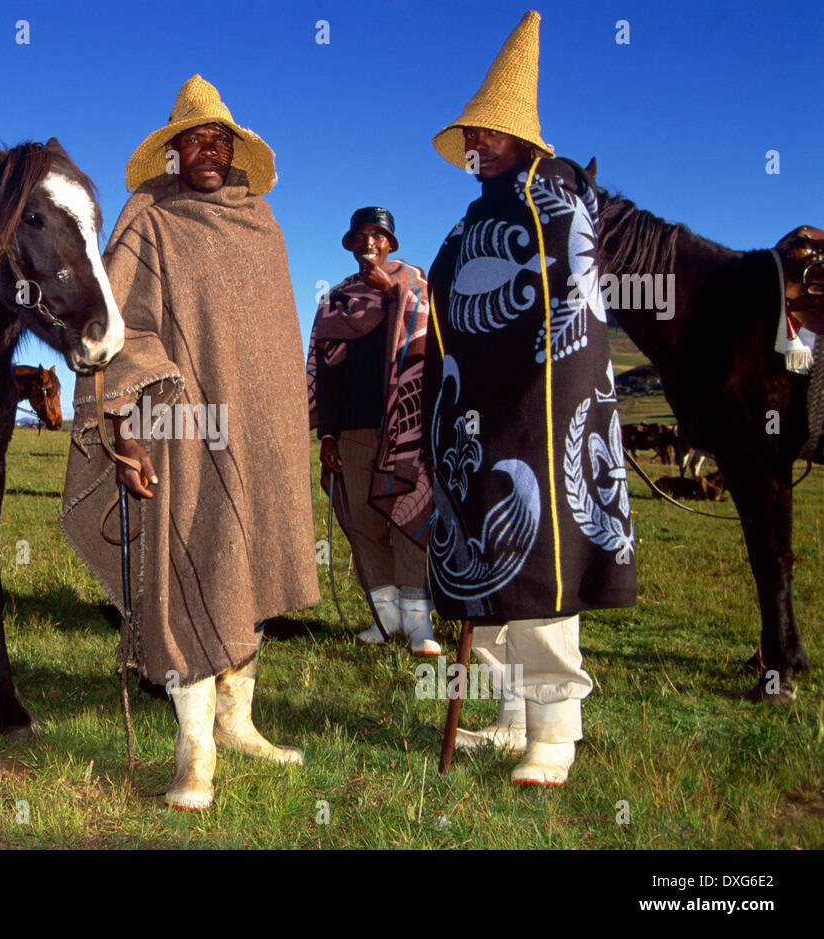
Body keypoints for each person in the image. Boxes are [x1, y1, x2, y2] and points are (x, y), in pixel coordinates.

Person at [62, 75, 319, 810]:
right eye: (192, 140)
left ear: (233, 149)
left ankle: (238, 719)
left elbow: (273, 338)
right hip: (181, 425)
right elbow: (118, 328)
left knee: (252, 552)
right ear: (171, 152)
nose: (206, 150)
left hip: (261, 428)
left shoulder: (261, 222)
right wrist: (128, 427)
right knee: (186, 563)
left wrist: (279, 422)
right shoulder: (148, 219)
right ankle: (194, 745)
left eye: (217, 139)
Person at [424, 11, 636, 786]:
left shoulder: (559, 199)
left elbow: (571, 308)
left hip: (542, 410)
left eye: (489, 134)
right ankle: (510, 715)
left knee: (543, 559)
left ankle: (553, 729)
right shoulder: (471, 216)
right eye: (471, 136)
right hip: (479, 415)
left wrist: (534, 389)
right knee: (492, 560)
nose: (477, 146)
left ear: (522, 139)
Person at [308, 207, 440, 655]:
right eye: (361, 236)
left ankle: (419, 623)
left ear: (390, 244)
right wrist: (327, 435)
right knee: (364, 524)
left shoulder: (417, 287)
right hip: (351, 430)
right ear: (350, 245)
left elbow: (437, 346)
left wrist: (395, 296)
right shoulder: (336, 301)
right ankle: (386, 619)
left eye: (378, 236)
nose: (369, 243)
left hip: (407, 429)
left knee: (407, 520)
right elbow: (325, 375)